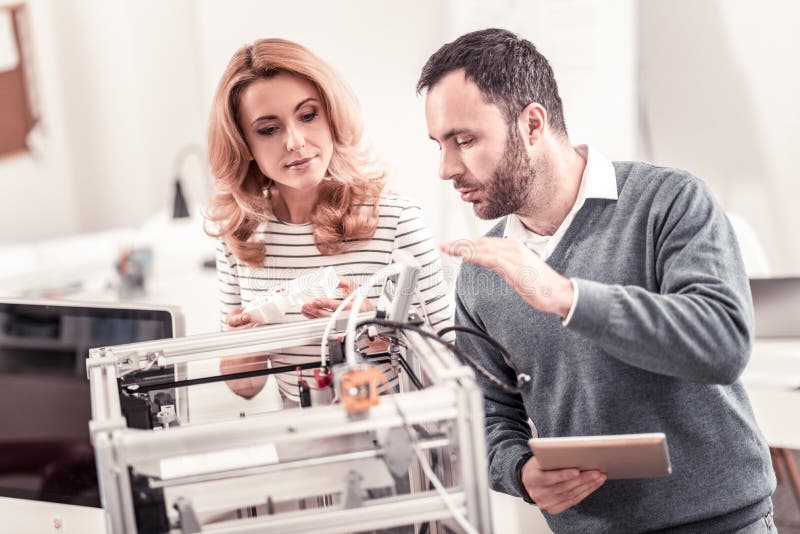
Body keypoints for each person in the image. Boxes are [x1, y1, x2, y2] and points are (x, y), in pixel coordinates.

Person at [418, 28, 777, 533]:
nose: (446, 168)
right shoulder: (483, 270)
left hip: (721, 523)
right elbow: (487, 414)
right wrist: (518, 471)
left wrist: (566, 296)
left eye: (464, 140)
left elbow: (722, 342)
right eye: (439, 145)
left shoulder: (668, 201)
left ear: (533, 124)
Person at [205, 38, 451, 404]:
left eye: (307, 116)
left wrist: (374, 324)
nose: (295, 142)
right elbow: (245, 387)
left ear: (332, 116)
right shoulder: (239, 238)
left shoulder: (397, 221)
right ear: (245, 145)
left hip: (401, 443)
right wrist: (247, 345)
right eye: (268, 129)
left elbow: (454, 358)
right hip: (305, 441)